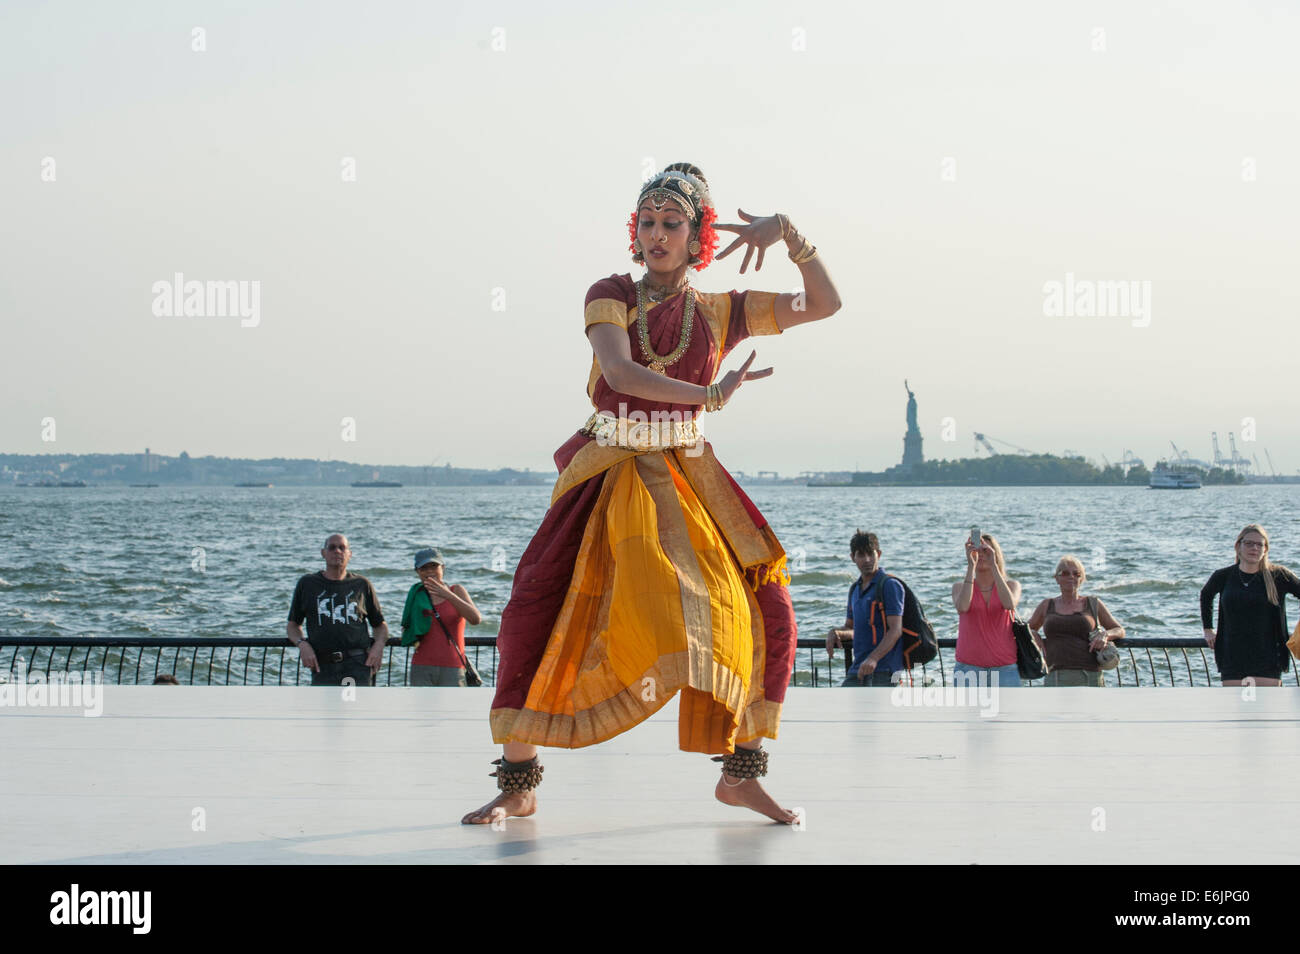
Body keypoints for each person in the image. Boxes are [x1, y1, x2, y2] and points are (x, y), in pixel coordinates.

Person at [461, 162, 840, 825]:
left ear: (700, 237)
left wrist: (792, 237)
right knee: (536, 604)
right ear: (634, 234)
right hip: (609, 467)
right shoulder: (610, 292)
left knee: (769, 605)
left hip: (691, 475)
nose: (659, 233)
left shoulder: (724, 311)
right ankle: (518, 782)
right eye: (649, 222)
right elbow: (617, 369)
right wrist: (708, 396)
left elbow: (826, 303)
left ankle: (740, 773)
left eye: (673, 223)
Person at [1201, 524, 1300, 687]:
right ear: (1238, 546)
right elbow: (1206, 595)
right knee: (1234, 711)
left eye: (1259, 544)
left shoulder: (1278, 576)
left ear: (1265, 549)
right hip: (1232, 656)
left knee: (1264, 710)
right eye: (1249, 543)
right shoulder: (1223, 576)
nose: (1254, 548)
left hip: (1268, 657)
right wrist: (1208, 629)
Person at [287, 534, 388, 686]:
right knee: (325, 709)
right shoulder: (307, 584)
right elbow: (293, 625)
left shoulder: (362, 584)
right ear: (323, 553)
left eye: (342, 547)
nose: (337, 551)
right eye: (332, 547)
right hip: (322, 665)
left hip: (358, 664)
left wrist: (378, 647)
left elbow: (380, 625)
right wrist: (302, 644)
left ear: (350, 554)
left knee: (354, 707)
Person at [1026, 554, 1125, 687]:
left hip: (1090, 675)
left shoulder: (1093, 604)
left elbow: (1119, 630)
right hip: (1055, 675)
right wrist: (1033, 634)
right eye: (1065, 573)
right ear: (1057, 578)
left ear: (1082, 579)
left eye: (1076, 574)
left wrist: (1105, 635)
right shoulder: (1047, 605)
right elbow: (1025, 630)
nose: (1071, 577)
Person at [825, 530, 907, 686]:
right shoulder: (855, 589)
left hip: (885, 671)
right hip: (859, 668)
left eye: (871, 554)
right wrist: (836, 633)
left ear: (879, 554)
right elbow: (851, 628)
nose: (867, 559)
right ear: (852, 558)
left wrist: (873, 658)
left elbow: (895, 630)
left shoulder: (890, 585)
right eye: (861, 555)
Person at [401, 547, 482, 686]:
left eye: (434, 566)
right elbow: (406, 626)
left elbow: (475, 619)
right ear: (417, 571)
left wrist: (447, 595)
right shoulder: (416, 594)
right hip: (421, 665)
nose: (430, 571)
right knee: (421, 708)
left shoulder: (456, 590)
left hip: (453, 666)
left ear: (442, 567)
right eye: (424, 568)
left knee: (453, 707)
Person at [950, 532, 1022, 686]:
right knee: (967, 711)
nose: (981, 555)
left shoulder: (1011, 586)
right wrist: (971, 566)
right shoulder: (959, 587)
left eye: (986, 550)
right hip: (968, 668)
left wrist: (994, 565)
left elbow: (1009, 604)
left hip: (1004, 668)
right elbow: (962, 606)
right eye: (978, 550)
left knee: (1008, 711)